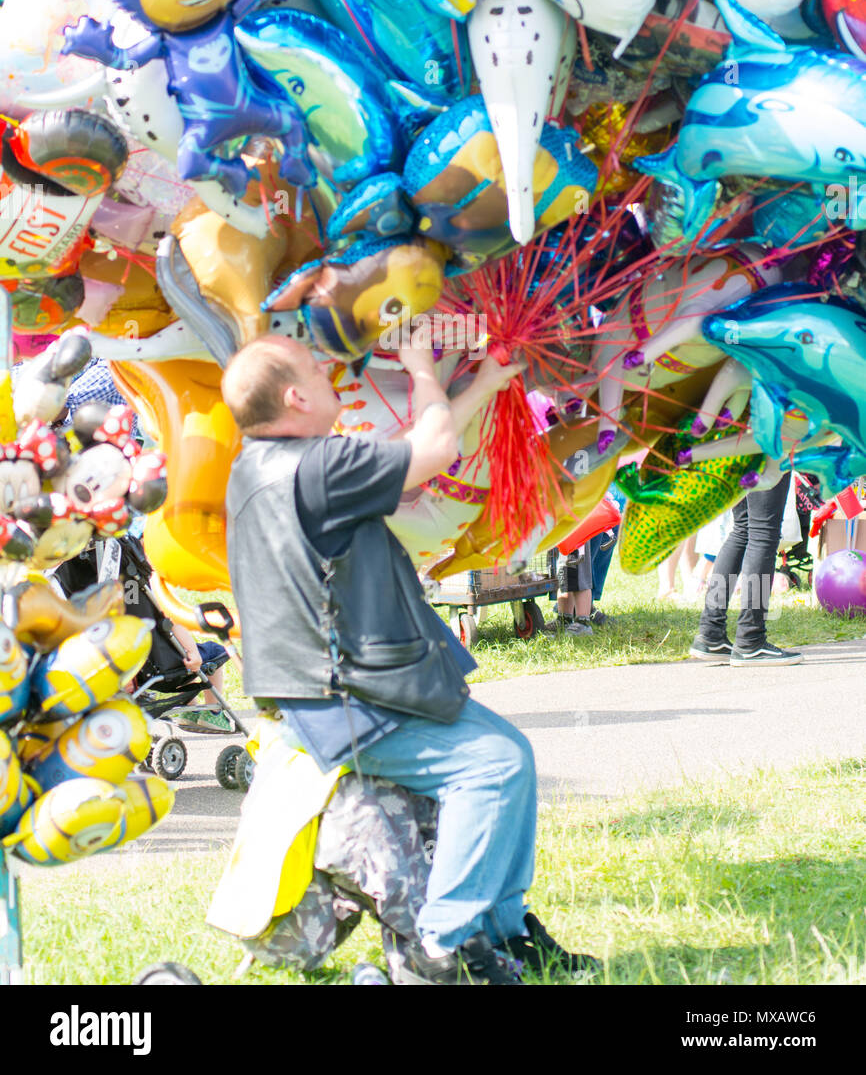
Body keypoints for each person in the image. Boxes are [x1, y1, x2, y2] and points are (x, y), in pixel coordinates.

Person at [221, 334, 600, 985]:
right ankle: (447, 939)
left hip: (328, 687)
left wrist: (483, 385)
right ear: (294, 396)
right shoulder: (316, 464)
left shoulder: (260, 466)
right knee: (492, 766)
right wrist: (422, 364)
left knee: (508, 756)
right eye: (317, 369)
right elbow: (434, 451)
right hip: (346, 694)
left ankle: (504, 932)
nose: (330, 372)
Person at [690, 471, 804, 665]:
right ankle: (751, 639)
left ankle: (711, 633)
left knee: (743, 528)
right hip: (766, 446)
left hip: (736, 448)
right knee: (764, 532)